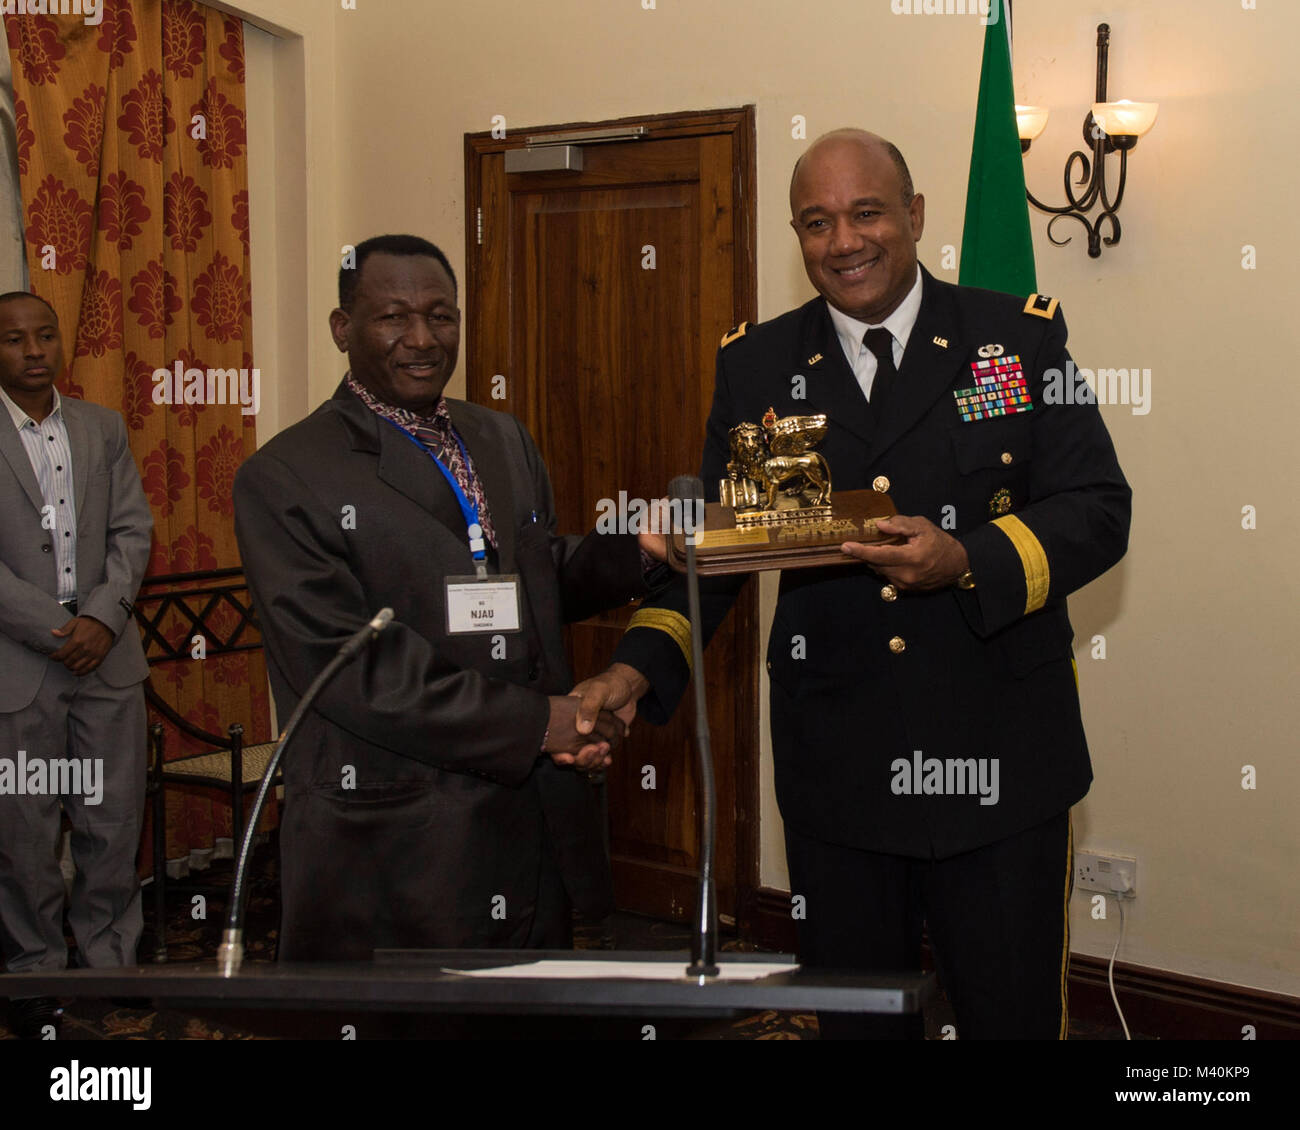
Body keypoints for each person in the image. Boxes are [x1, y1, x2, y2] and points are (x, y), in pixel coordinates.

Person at [573, 129, 1132, 1039]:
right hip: (841, 776)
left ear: (913, 215)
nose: (844, 241)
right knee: (856, 1023)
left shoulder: (1014, 339)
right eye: (817, 221)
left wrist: (965, 559)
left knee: (1011, 1019)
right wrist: (632, 673)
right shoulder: (757, 365)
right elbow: (726, 553)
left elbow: (1097, 509)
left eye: (867, 212)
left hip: (998, 763)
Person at [232, 234, 668, 961]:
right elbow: (356, 671)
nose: (423, 340)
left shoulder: (499, 436)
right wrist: (540, 724)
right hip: (398, 844)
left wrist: (639, 553)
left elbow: (531, 580)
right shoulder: (284, 476)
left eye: (442, 315)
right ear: (343, 329)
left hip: (529, 826)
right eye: (393, 318)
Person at [0, 292, 152, 1039]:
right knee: (23, 829)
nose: (33, 350)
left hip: (108, 661)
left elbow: (133, 530)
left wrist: (101, 616)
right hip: (19, 667)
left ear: (62, 343)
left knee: (112, 822)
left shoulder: (101, 427)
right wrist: (57, 627)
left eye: (45, 335)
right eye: (14, 339)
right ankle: (31, 971)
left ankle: (108, 966)